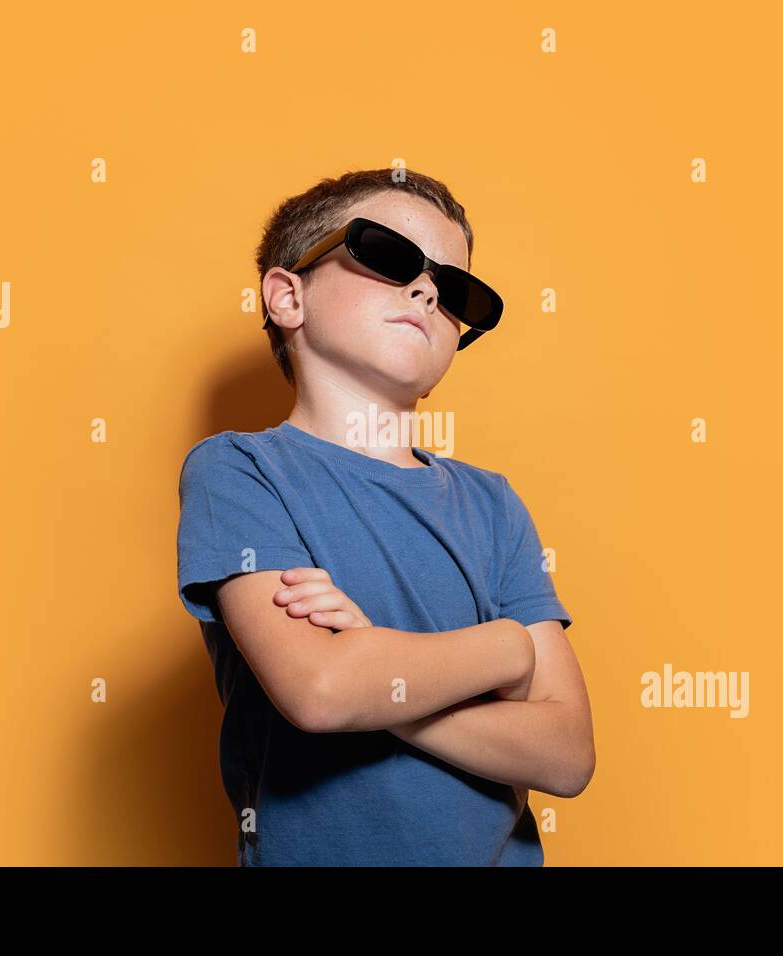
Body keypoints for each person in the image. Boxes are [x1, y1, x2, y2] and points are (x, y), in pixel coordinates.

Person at [176, 168, 595, 866]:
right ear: (288, 296)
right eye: (389, 256)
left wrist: (376, 660)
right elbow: (322, 690)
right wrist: (509, 649)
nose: (428, 290)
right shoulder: (238, 472)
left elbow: (567, 755)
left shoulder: (492, 504)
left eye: (454, 289)